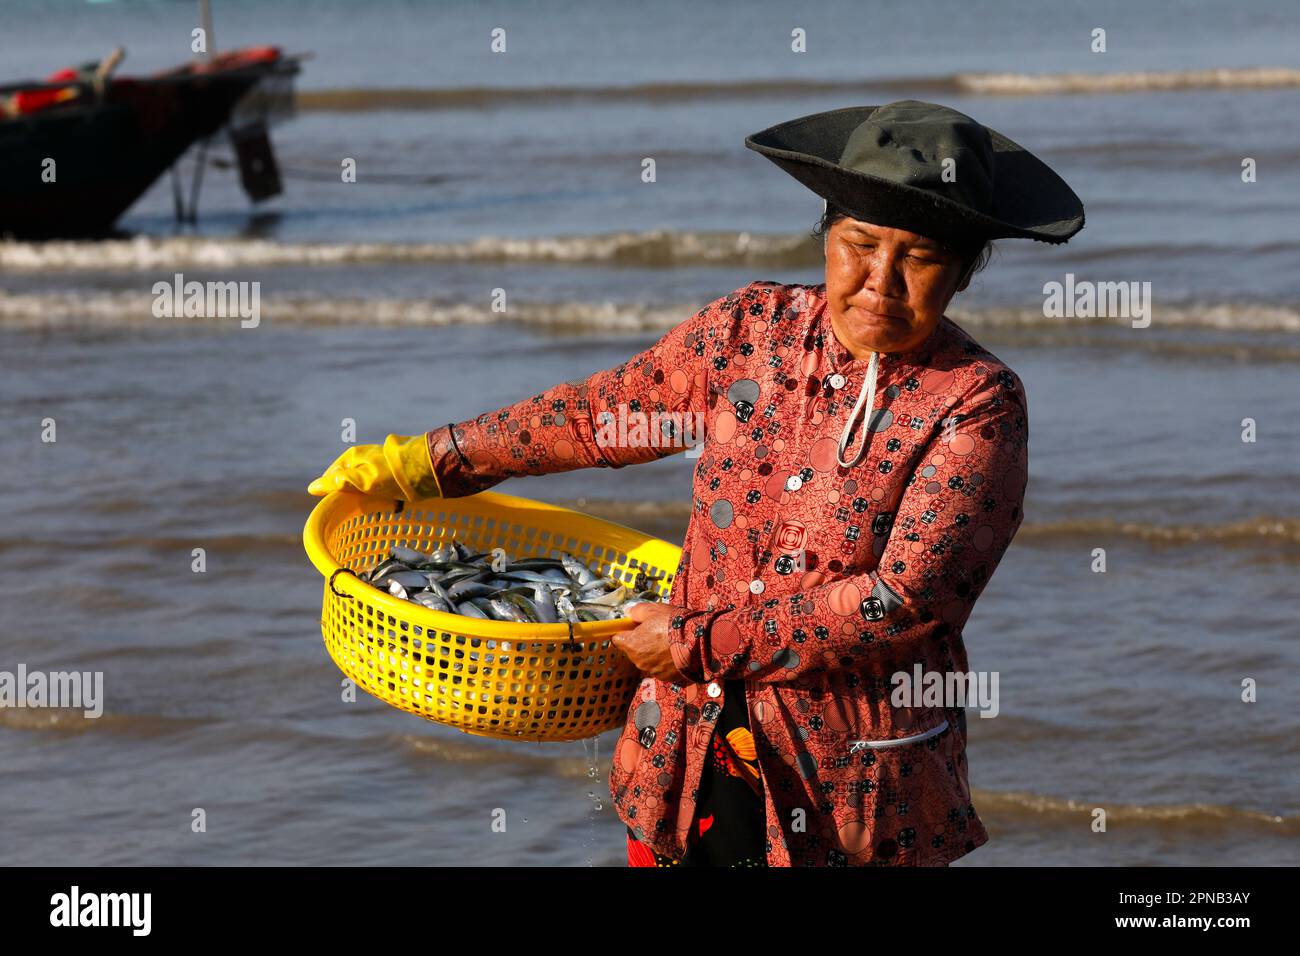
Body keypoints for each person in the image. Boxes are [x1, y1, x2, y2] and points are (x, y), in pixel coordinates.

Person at [308, 100, 1085, 867]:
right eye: (860, 243)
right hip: (684, 752)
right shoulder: (749, 331)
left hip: (851, 786)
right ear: (826, 234)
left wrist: (691, 642)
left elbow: (901, 607)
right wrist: (433, 460)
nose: (880, 280)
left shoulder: (975, 403)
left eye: (918, 257)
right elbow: (598, 415)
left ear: (963, 271)